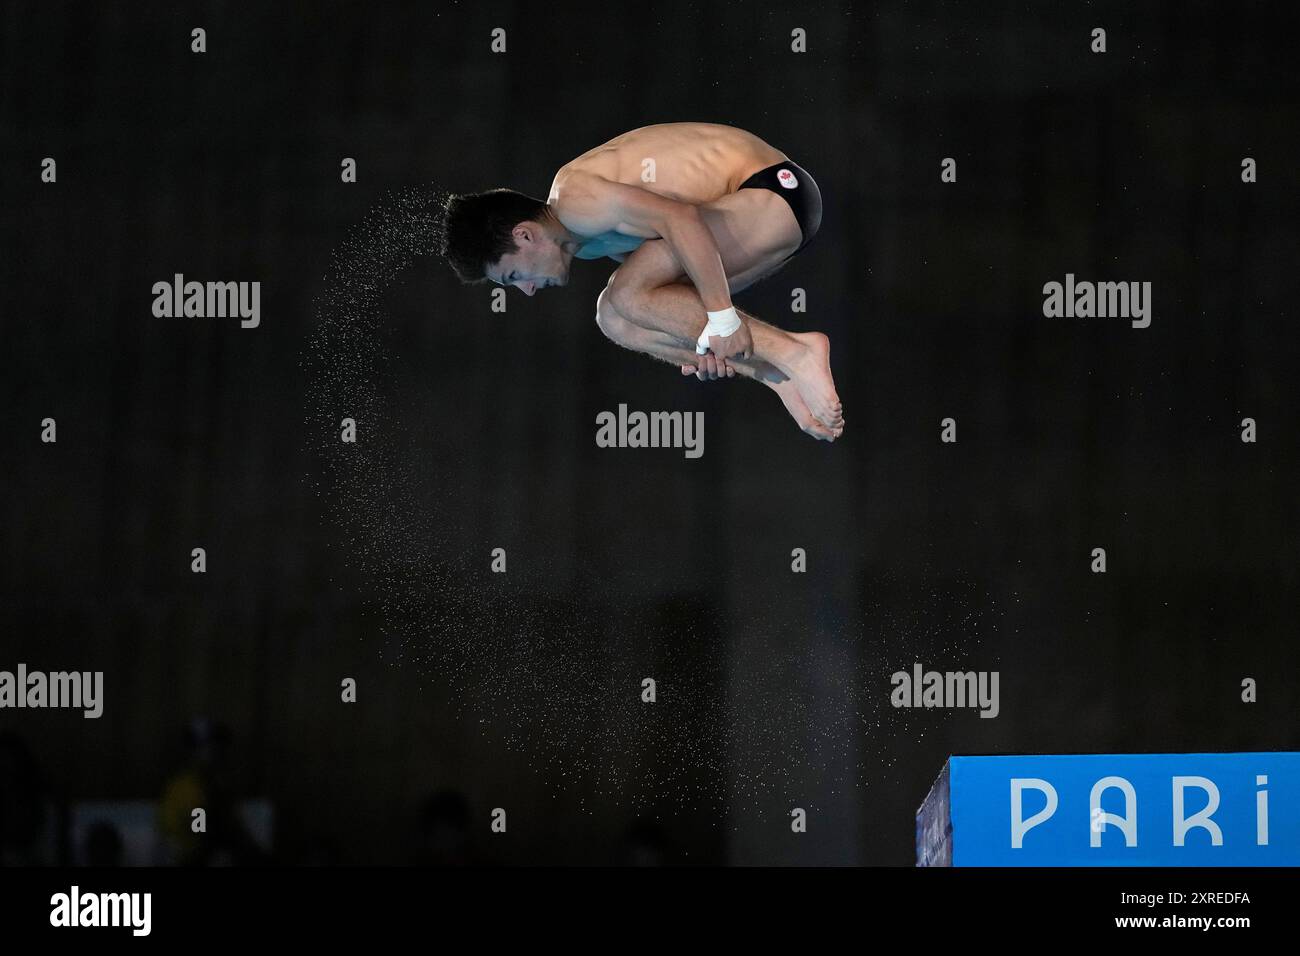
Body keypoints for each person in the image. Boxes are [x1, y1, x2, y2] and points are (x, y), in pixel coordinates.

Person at [440, 122, 844, 441]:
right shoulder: (586, 243)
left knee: (625, 293)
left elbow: (682, 219)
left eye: (514, 276)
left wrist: (721, 319)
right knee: (615, 318)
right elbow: (678, 286)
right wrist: (698, 341)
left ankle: (795, 353)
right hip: (766, 220)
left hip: (774, 190)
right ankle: (775, 373)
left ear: (525, 235)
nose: (527, 290)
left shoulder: (576, 200)